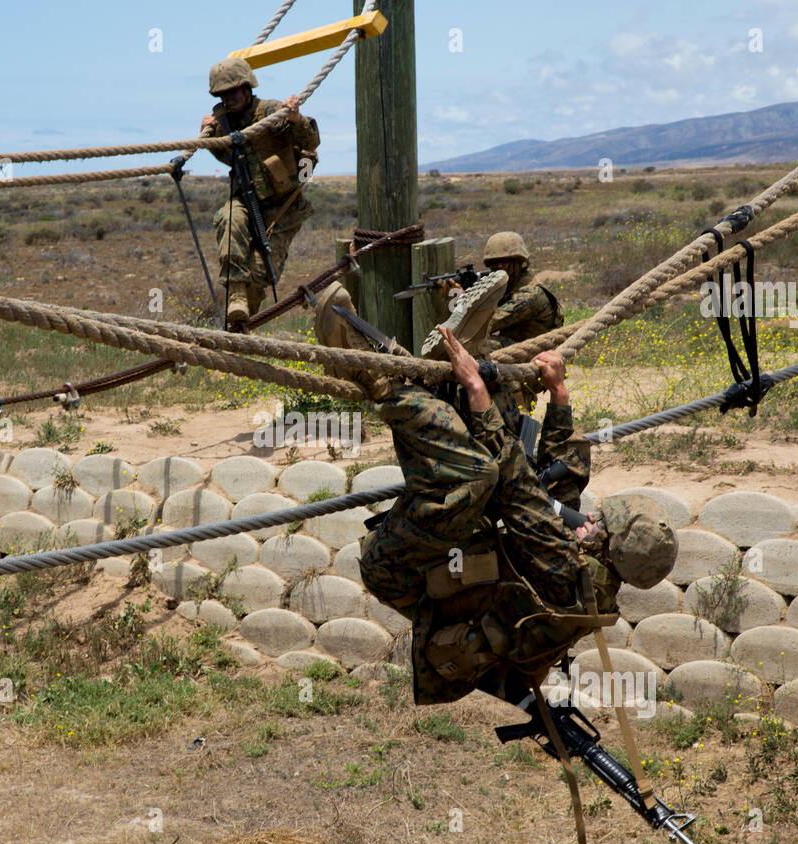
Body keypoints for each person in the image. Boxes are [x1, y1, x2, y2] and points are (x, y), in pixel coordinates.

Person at [312, 275, 678, 705]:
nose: (592, 519)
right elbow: (564, 484)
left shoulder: (567, 574)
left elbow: (517, 487)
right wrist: (558, 394)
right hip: (449, 549)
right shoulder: (593, 568)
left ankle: (371, 373)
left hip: (405, 571)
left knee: (478, 474)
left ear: (612, 550)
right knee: (510, 447)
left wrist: (477, 388)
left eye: (602, 524)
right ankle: (466, 358)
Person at [199, 57, 319, 328]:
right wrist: (209, 138)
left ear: (247, 88)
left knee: (259, 271)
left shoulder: (271, 112)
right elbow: (227, 156)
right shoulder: (224, 123)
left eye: (233, 92)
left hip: (282, 206)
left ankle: (240, 327)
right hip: (246, 199)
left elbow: (311, 141)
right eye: (222, 94)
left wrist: (296, 118)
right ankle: (236, 296)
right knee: (228, 216)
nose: (228, 99)